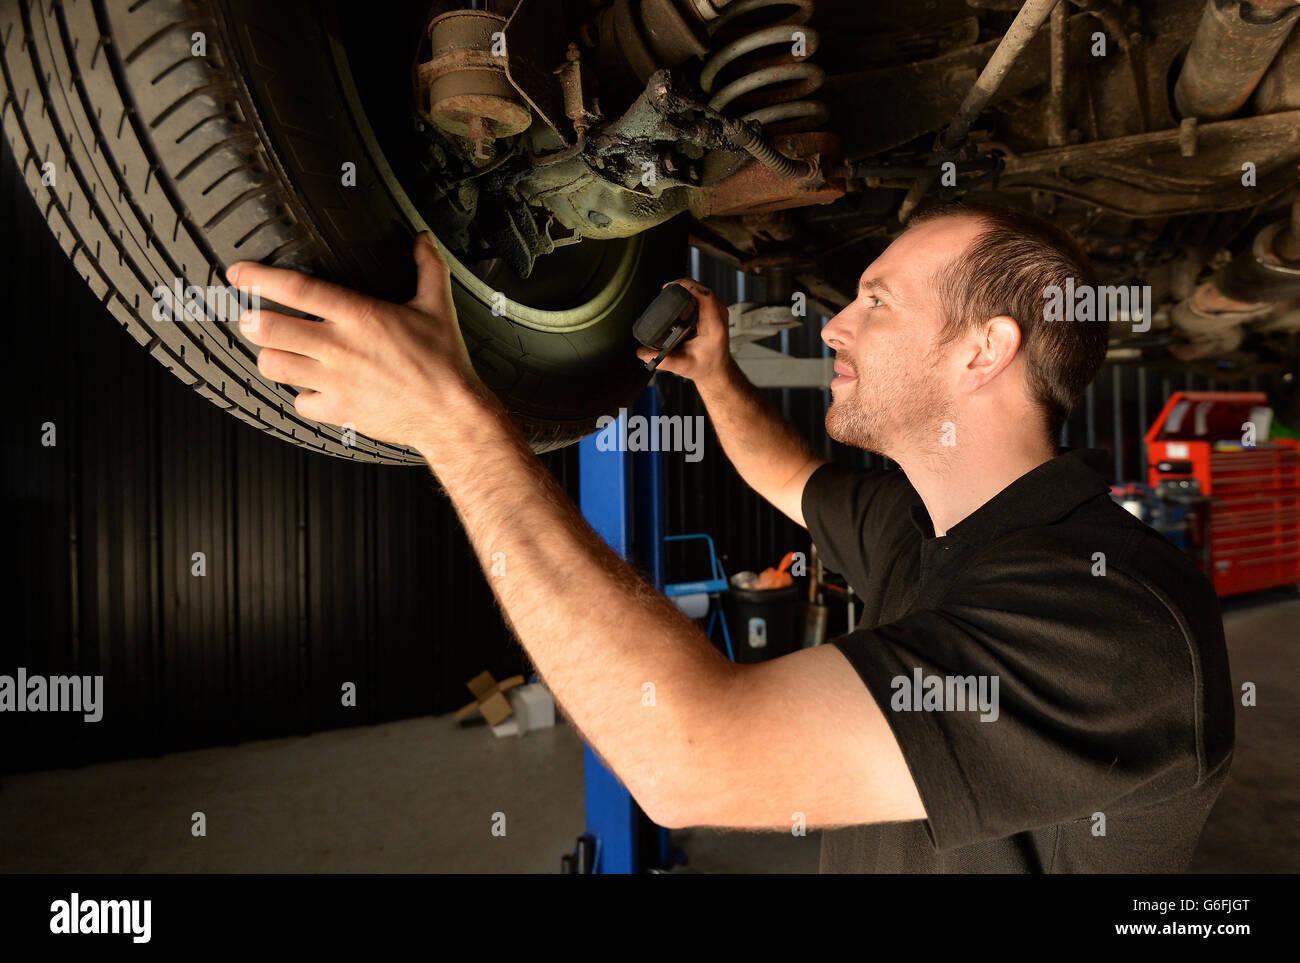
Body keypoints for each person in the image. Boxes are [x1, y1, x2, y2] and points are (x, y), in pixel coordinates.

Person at [228, 201, 1233, 873]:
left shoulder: (1111, 621)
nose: (834, 326)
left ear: (986, 350)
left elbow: (687, 759)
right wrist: (712, 377)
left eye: (875, 302)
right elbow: (783, 475)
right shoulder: (915, 530)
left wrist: (455, 425)